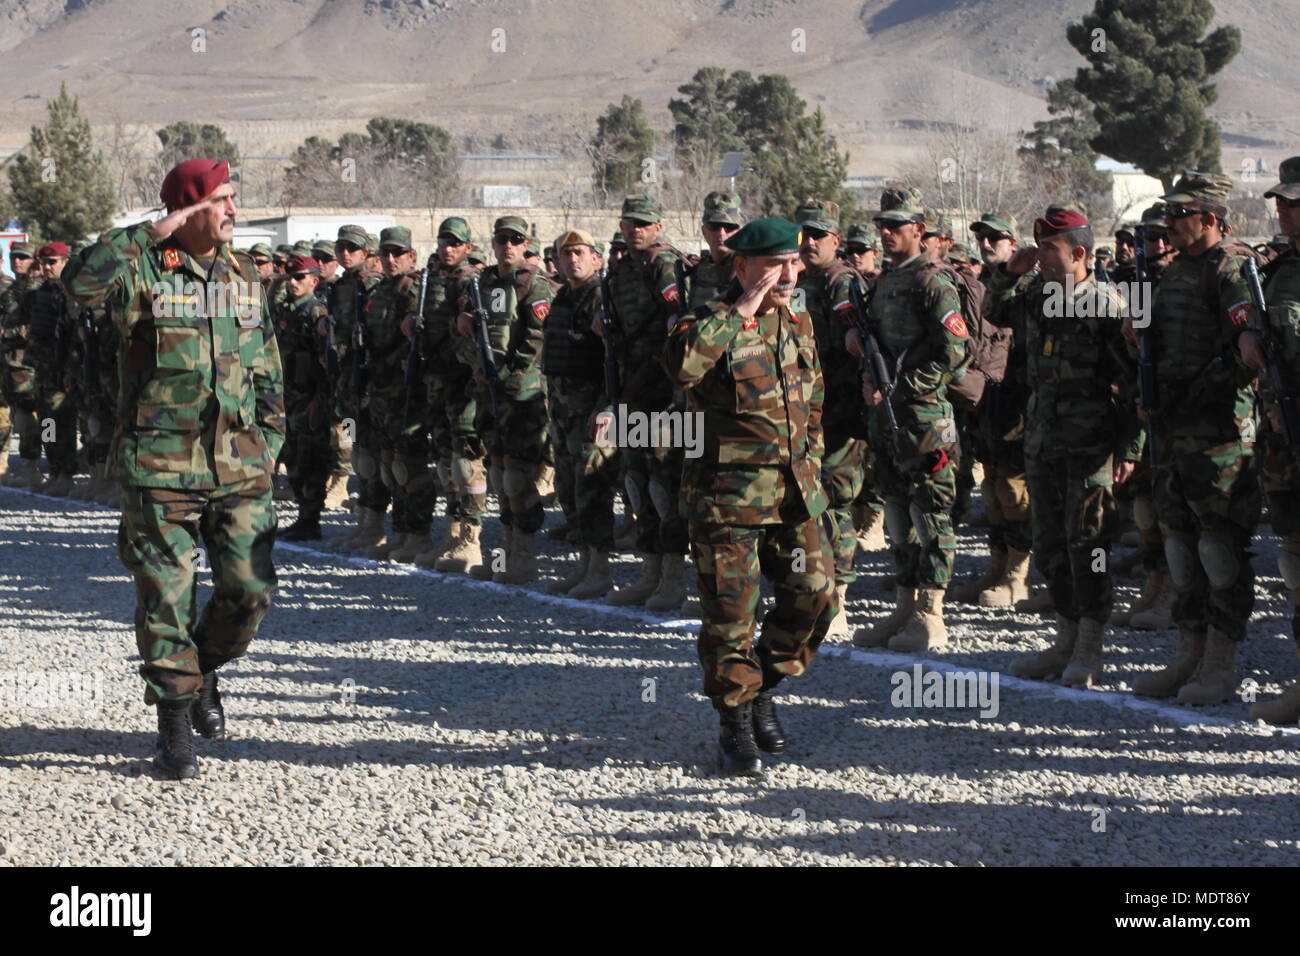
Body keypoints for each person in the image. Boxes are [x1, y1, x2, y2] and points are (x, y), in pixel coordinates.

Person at [62, 157, 285, 780]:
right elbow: (79, 284)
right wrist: (149, 230)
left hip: (239, 468)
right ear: (189, 209)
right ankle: (174, 723)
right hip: (159, 467)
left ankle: (203, 668)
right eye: (223, 200)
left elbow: (266, 365)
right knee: (166, 598)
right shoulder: (141, 272)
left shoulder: (243, 274)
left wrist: (269, 443)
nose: (235, 211)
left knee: (249, 591)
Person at [665, 217, 834, 777]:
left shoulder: (799, 319)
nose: (788, 274)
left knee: (817, 594)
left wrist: (813, 467)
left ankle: (766, 683)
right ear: (741, 267)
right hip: (727, 499)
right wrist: (742, 307)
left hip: (793, 494)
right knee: (731, 616)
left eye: (793, 264)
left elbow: (812, 405)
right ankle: (734, 722)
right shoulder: (705, 321)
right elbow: (683, 365)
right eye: (773, 265)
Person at [1124, 171, 1261, 705]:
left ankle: (1221, 662)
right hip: (1171, 431)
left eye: (1181, 214)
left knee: (1219, 548)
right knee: (1179, 545)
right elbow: (1151, 345)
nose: (1171, 223)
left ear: (1208, 217)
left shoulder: (1231, 270)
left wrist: (1192, 393)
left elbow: (1245, 355)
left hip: (1217, 436)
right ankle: (1189, 651)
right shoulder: (1172, 271)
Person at [989, 206, 1139, 687]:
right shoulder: (1036, 296)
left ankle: (1091, 644)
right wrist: (1007, 274)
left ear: (1078, 253)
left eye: (1049, 250)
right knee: (1050, 544)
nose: (1042, 259)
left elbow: (1134, 384)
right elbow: (993, 314)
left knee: (1089, 544)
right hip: (1042, 441)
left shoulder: (1107, 306)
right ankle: (1064, 638)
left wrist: (1131, 448)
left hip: (1091, 446)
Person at [849, 189, 966, 651]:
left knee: (930, 512)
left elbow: (956, 351)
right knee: (896, 511)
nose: (885, 232)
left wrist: (905, 387)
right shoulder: (882, 282)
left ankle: (931, 613)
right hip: (887, 415)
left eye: (895, 226)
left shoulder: (934, 282)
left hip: (925, 418)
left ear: (919, 230)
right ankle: (903, 605)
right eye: (882, 225)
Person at [454, 215, 554, 583]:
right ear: (493, 243)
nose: (508, 246)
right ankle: (508, 554)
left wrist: (508, 376)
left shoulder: (534, 285)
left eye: (515, 240)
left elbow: (536, 338)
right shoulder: (483, 283)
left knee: (517, 476)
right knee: (497, 472)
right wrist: (474, 358)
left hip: (523, 393)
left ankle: (525, 557)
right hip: (488, 390)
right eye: (501, 240)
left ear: (525, 244)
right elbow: (469, 334)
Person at [601, 195, 690, 609]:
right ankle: (650, 572)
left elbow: (677, 331)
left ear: (658, 226)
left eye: (643, 223)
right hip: (633, 392)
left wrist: (648, 375)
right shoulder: (620, 272)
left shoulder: (664, 264)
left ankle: (674, 578)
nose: (636, 229)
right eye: (629, 223)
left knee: (666, 484)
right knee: (636, 480)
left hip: (667, 393)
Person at [1238, 155, 1300, 723]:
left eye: (1293, 202)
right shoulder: (1281, 270)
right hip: (1285, 434)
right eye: (1280, 202)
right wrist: (1251, 337)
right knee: (1295, 555)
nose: (1282, 211)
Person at [793, 198, 863, 638]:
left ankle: (839, 599)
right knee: (805, 504)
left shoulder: (843, 283)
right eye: (805, 234)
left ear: (836, 241)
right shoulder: (796, 281)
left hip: (837, 411)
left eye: (819, 235)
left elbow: (852, 352)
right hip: (802, 412)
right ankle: (810, 590)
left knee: (836, 503)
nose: (810, 242)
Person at [543, 229, 619, 598]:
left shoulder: (601, 298)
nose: (572, 259)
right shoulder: (563, 297)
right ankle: (584, 564)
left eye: (579, 252)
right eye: (565, 253)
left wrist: (606, 408)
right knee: (570, 486)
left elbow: (613, 359)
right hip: (563, 408)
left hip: (593, 409)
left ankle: (600, 568)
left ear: (596, 259)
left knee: (593, 487)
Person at [275, 256, 332, 540]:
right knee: (292, 456)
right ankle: (302, 514)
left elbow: (326, 363)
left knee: (311, 458)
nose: (293, 282)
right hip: (287, 397)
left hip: (309, 397)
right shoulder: (285, 310)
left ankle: (311, 518)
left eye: (300, 277)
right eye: (290, 277)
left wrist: (319, 401)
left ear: (314, 280)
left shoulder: (315, 312)